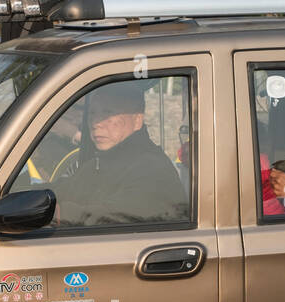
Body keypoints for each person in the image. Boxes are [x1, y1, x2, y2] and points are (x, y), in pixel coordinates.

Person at [52, 84, 187, 227]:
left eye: (107, 113)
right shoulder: (99, 164)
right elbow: (63, 190)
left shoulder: (152, 170)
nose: (96, 123)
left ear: (137, 120)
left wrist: (57, 213)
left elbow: (107, 218)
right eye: (92, 114)